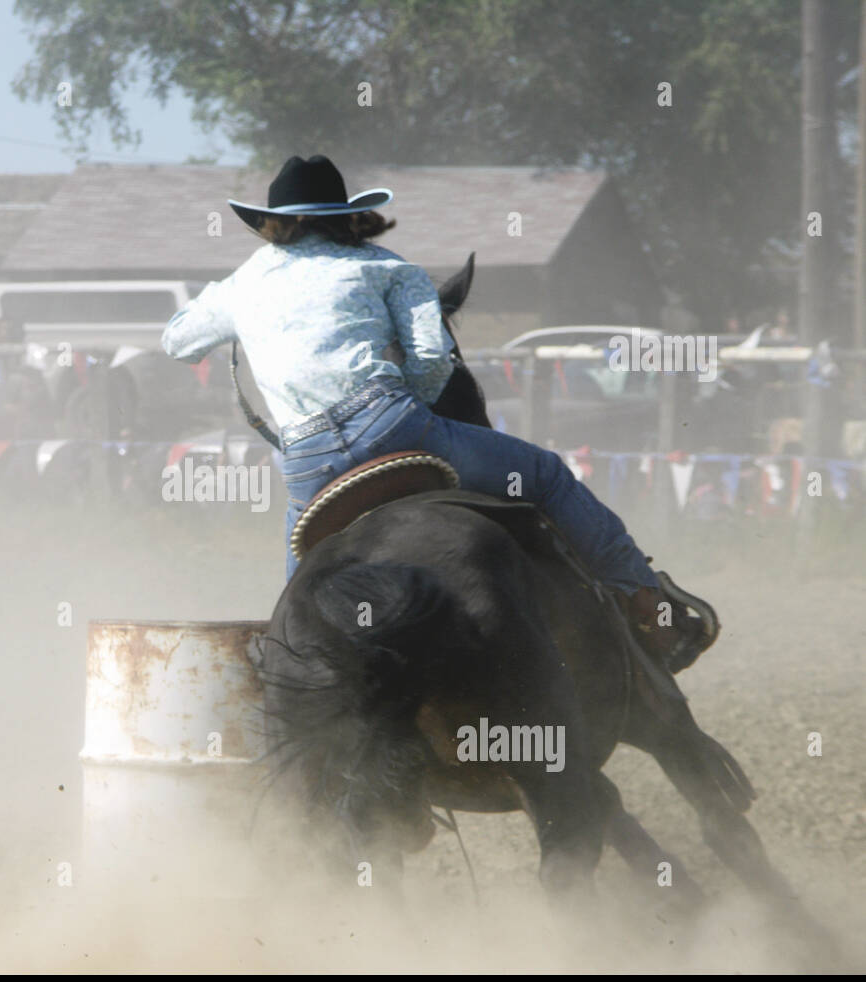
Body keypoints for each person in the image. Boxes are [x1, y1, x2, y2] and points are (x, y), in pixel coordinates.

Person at [161, 154, 701, 666]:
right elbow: (431, 357)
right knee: (546, 475)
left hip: (308, 459)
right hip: (393, 426)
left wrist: (235, 314)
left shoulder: (243, 283)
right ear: (347, 218)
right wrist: (408, 405)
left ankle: (291, 655)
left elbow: (177, 343)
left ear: (273, 224)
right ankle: (646, 605)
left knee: (302, 578)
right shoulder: (387, 269)